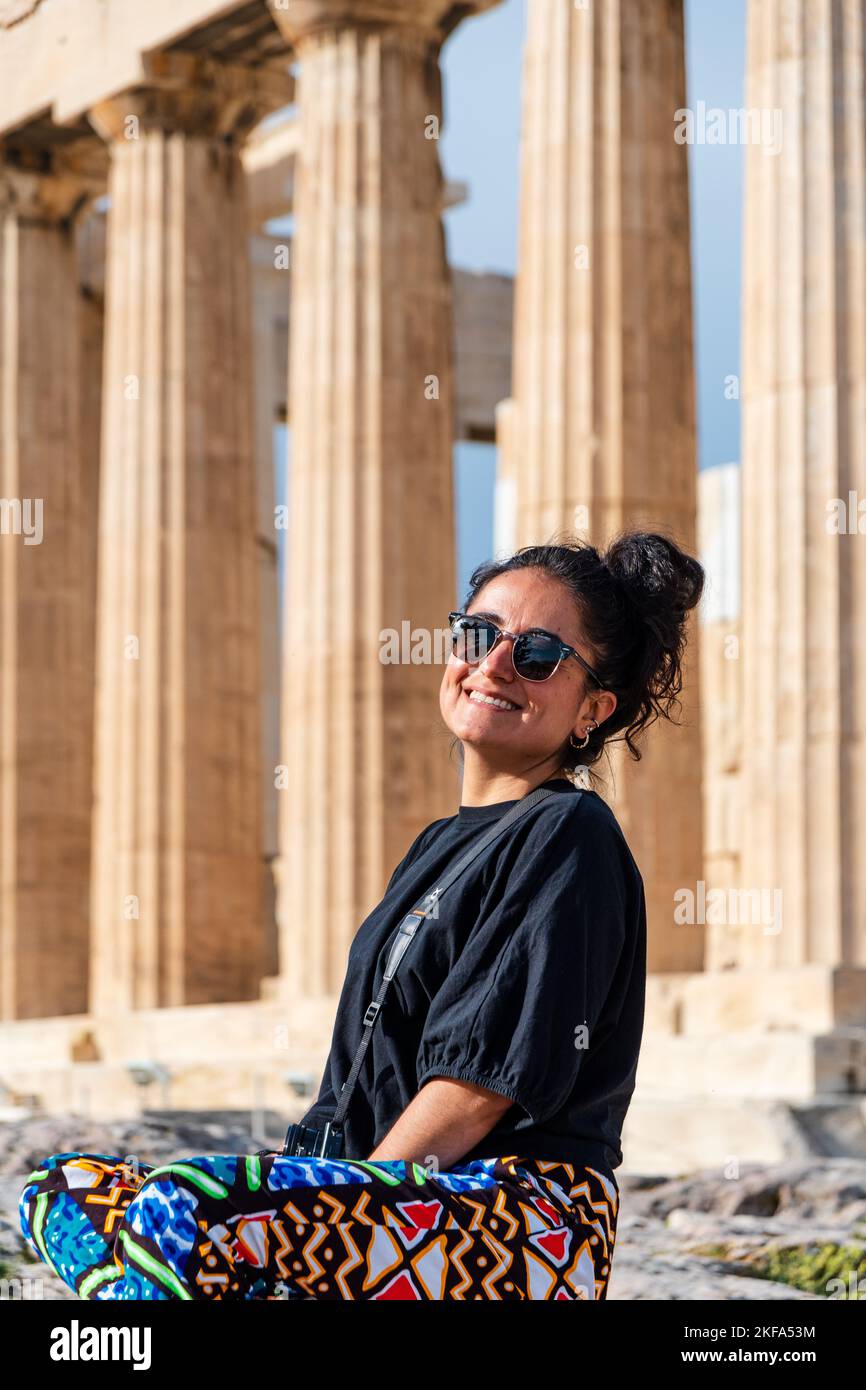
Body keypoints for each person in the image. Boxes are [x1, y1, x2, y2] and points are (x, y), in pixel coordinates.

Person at [19, 530, 704, 1301]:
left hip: (520, 1223)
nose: (494, 665)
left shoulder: (571, 835)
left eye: (537, 654)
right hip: (388, 1199)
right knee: (60, 1188)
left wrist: (342, 1200)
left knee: (187, 1206)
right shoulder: (436, 848)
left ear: (592, 709)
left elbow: (477, 1087)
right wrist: (309, 1186)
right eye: (478, 634)